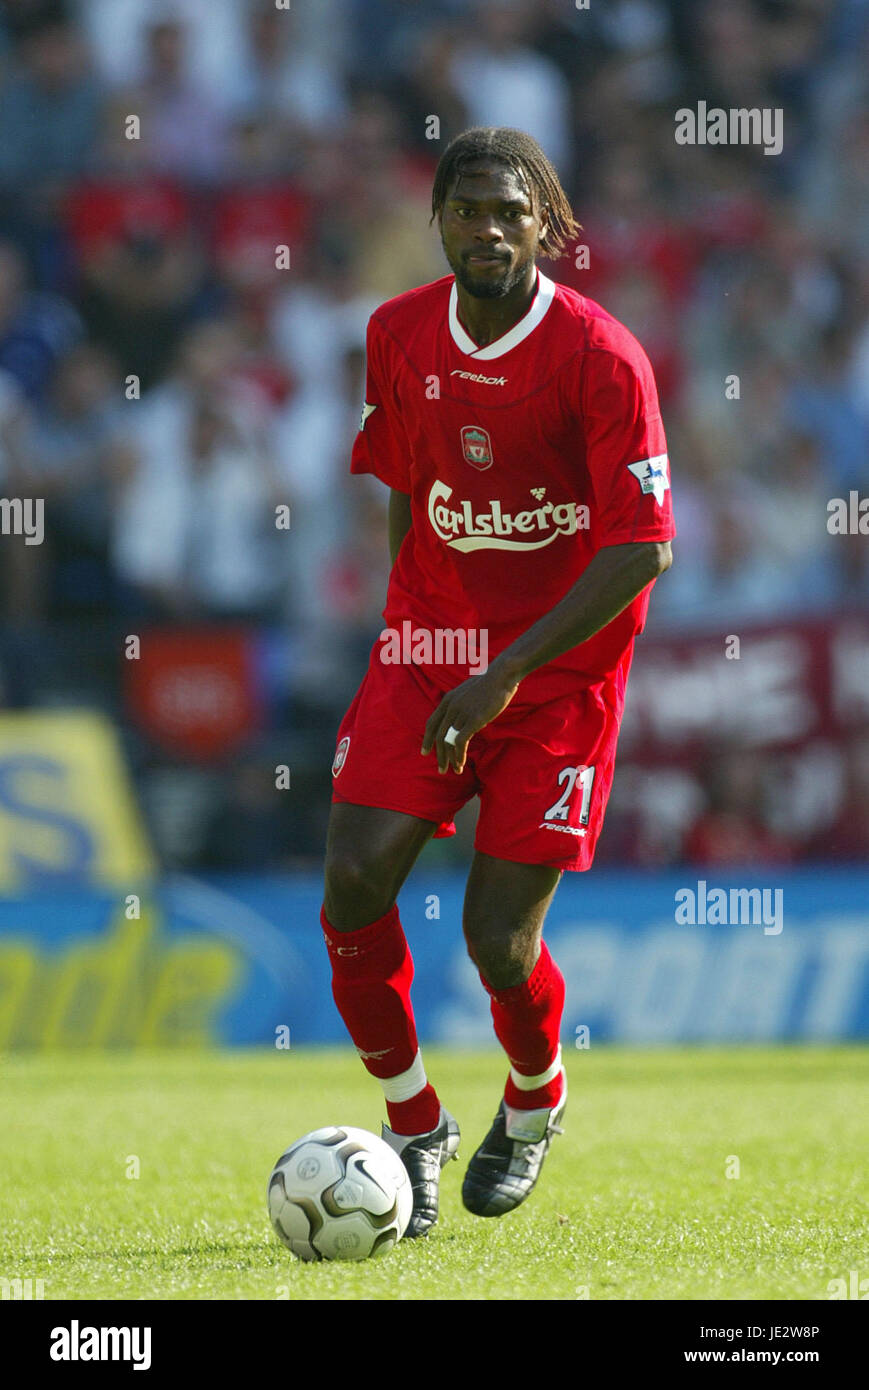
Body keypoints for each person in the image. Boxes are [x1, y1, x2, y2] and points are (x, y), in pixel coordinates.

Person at [320, 127, 675, 1237]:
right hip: (427, 653)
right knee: (352, 883)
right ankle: (414, 1123)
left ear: (546, 227)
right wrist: (411, 627)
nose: (486, 229)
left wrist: (506, 672)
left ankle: (532, 1098)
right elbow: (403, 480)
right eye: (466, 209)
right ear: (438, 219)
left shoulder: (601, 356)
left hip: (557, 679)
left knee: (495, 941)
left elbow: (642, 547)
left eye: (509, 212)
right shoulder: (394, 332)